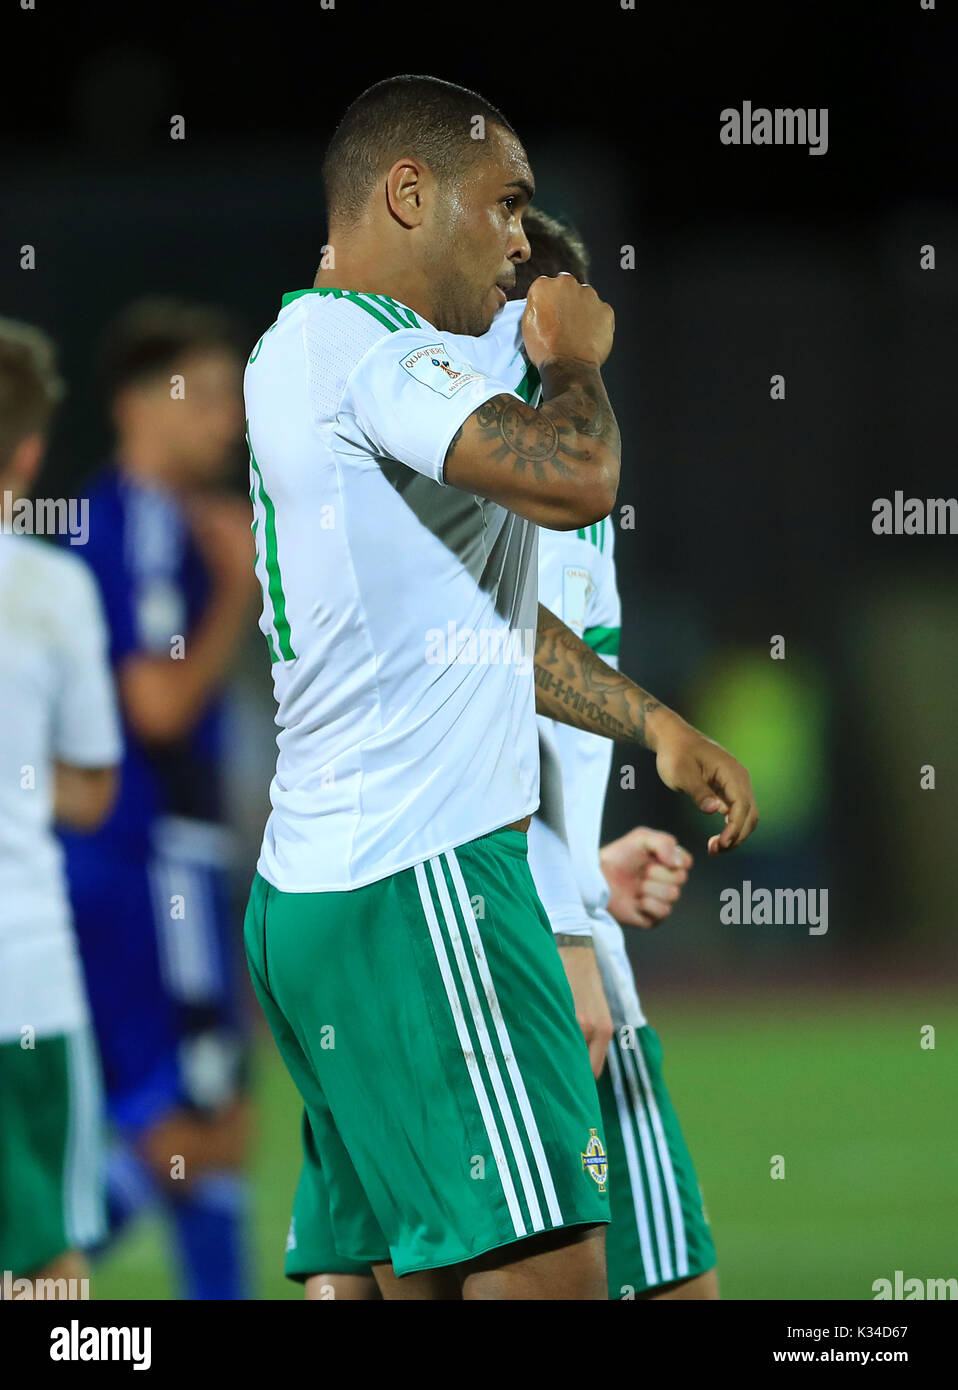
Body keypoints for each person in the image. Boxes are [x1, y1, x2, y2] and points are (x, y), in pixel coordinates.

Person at [244, 74, 757, 1301]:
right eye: (506, 203)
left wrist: (655, 724)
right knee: (559, 1280)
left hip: (320, 897)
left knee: (409, 1280)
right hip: (425, 889)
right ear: (408, 193)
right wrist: (578, 363)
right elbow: (577, 476)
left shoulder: (293, 351)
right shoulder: (364, 351)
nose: (524, 237)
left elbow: (480, 629)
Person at [59, 299, 256, 1300]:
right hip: (153, 871)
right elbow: (160, 700)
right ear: (143, 404)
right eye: (211, 396)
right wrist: (240, 589)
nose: (232, 419)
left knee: (207, 1128)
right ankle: (35, 1270)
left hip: (140, 866)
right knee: (196, 1133)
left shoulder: (124, 516)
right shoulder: (139, 525)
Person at [0, 319, 121, 1296]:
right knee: (44, 1263)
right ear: (30, 452)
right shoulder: (52, 588)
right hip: (23, 982)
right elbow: (91, 789)